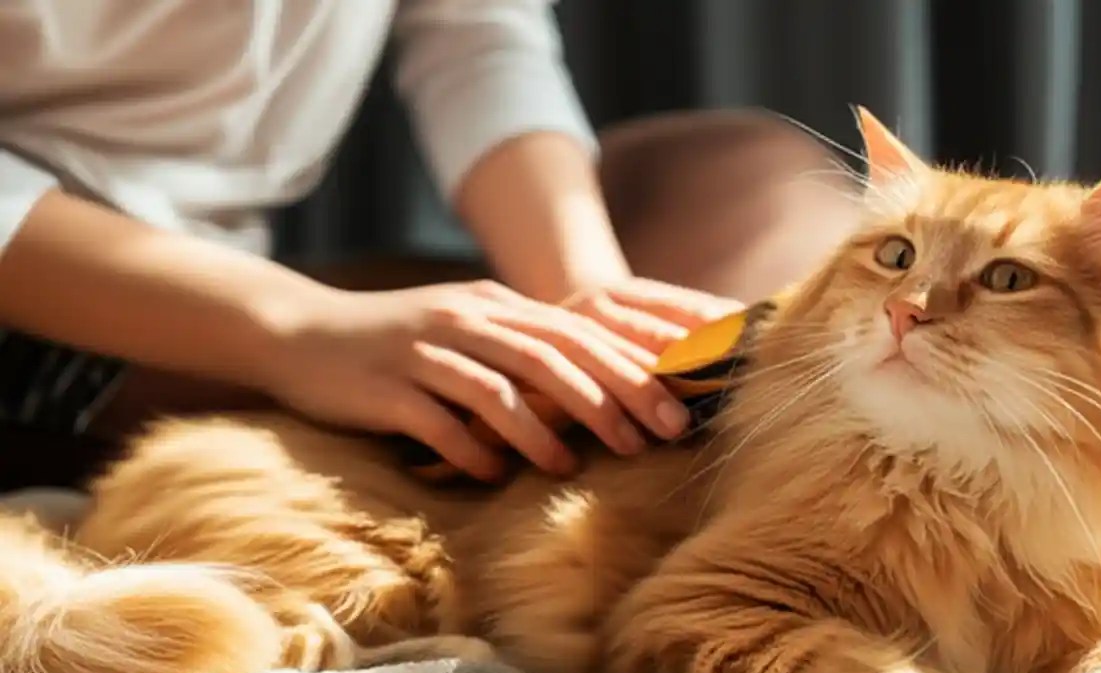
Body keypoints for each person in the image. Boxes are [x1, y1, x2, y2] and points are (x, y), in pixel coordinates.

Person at [0, 1, 858, 484]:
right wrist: (295, 329)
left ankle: (668, 441)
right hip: (48, 309)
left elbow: (476, 36)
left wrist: (584, 295)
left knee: (753, 173)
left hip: (241, 275)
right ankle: (656, 484)